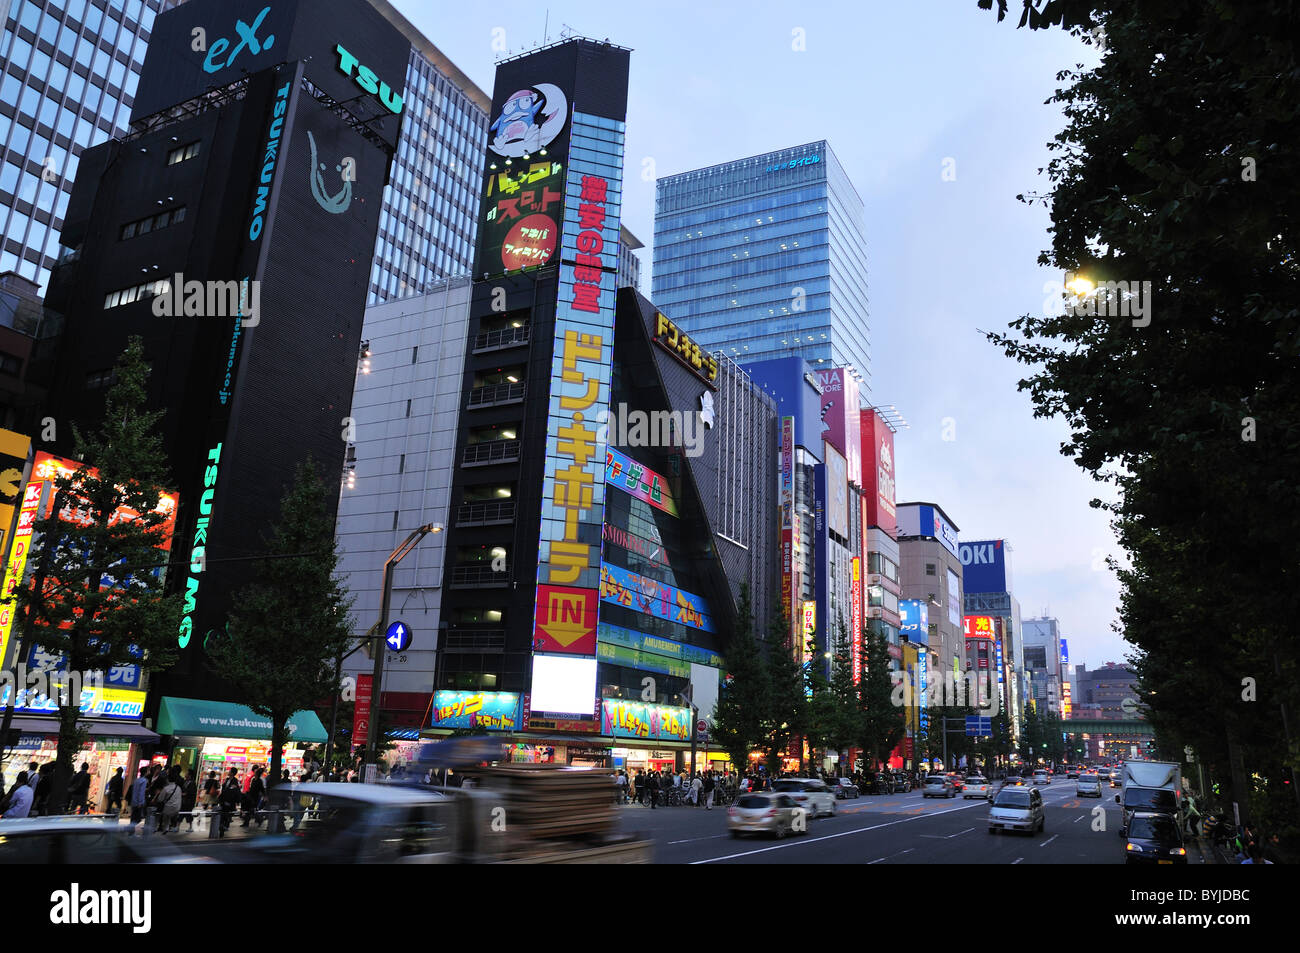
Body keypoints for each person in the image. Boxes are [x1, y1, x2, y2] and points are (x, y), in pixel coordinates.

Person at [154, 769, 182, 833]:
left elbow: (160, 799)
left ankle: (157, 827)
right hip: (177, 808)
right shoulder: (178, 788)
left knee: (160, 810)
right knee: (168, 814)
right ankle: (167, 827)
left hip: (168, 808)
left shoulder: (166, 788)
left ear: (168, 779)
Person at [218, 768, 241, 835]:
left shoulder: (235, 781)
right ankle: (223, 826)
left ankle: (225, 826)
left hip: (229, 801)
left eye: (230, 771)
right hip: (223, 800)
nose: (228, 772)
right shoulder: (227, 779)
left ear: (232, 773)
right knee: (223, 814)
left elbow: (233, 792)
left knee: (226, 814)